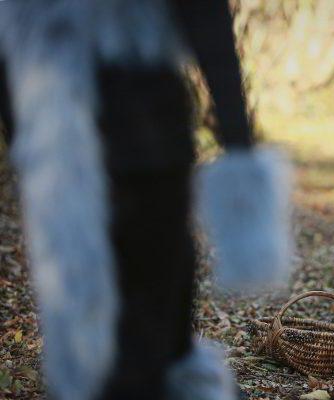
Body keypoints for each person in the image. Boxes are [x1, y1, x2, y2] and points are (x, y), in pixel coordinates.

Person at [0, 1, 290, 399]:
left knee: (135, 324)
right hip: (118, 143)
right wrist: (238, 146)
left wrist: (27, 148)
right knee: (139, 327)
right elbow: (206, 19)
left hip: (100, 146)